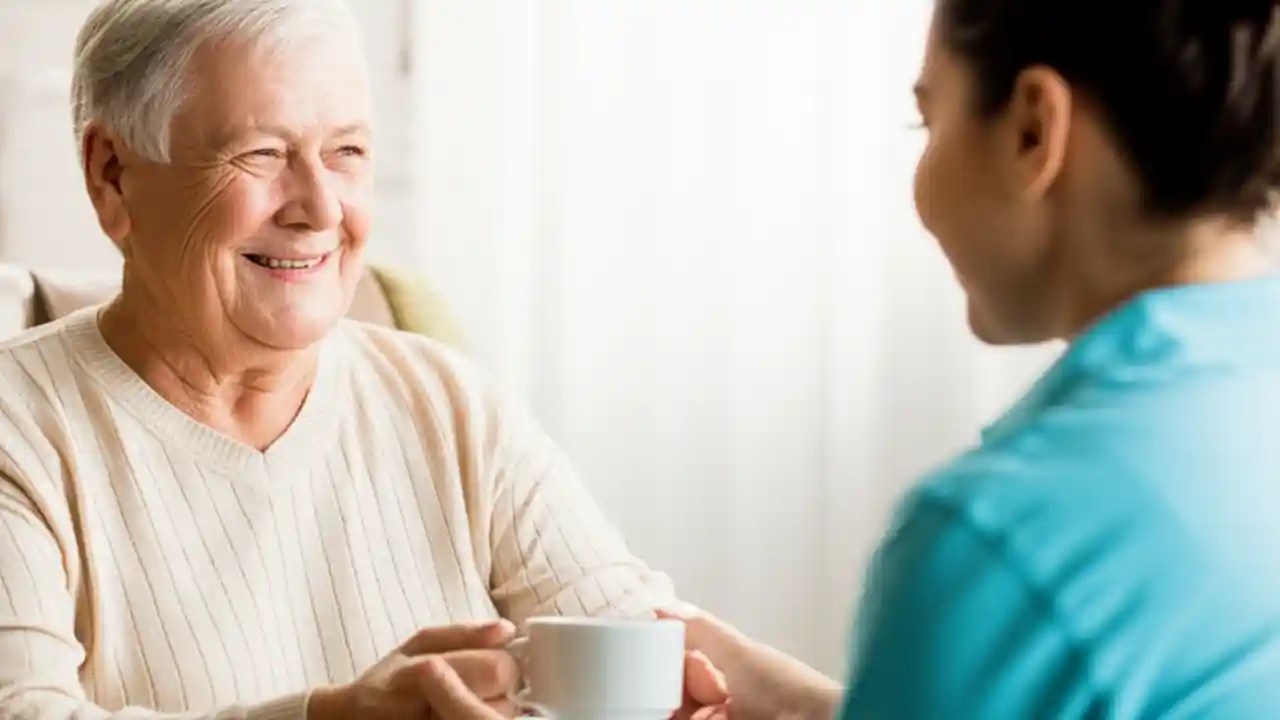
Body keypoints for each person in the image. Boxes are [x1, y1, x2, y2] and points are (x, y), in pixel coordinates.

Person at [417, 0, 1280, 717]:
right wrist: (804, 701)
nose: (922, 186)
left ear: (1032, 130)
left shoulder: (1000, 541)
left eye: (926, 119)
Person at [0, 1, 730, 718]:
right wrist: (332, 716)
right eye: (262, 153)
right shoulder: (19, 431)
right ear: (113, 175)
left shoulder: (449, 404)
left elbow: (634, 636)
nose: (321, 208)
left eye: (345, 152)